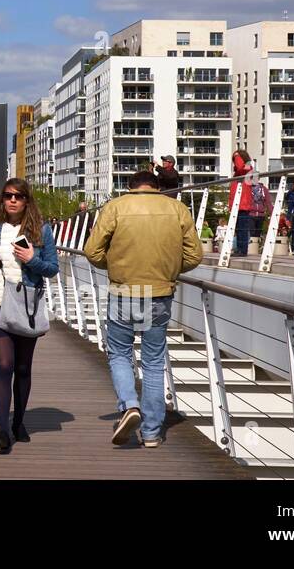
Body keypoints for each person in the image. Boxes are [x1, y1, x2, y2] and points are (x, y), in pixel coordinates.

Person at [85, 168, 202, 448]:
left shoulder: (115, 207)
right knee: (152, 361)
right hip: (160, 292)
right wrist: (170, 269)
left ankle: (129, 405)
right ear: (157, 186)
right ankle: (151, 433)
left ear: (131, 188)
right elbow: (194, 255)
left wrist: (113, 266)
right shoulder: (177, 209)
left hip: (124, 290)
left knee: (120, 354)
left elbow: (92, 252)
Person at [0, 177, 58, 452]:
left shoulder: (41, 232)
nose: (12, 200)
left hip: (26, 305)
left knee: (22, 368)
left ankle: (19, 422)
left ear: (27, 200)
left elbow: (52, 269)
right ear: (2, 199)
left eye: (18, 196)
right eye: (8, 195)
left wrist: (32, 259)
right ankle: (3, 431)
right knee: (4, 366)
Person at [229, 150, 256, 256]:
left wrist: (236, 156)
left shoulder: (242, 170)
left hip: (241, 202)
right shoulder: (248, 170)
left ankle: (242, 250)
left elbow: (240, 167)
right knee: (240, 227)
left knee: (242, 228)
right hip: (242, 202)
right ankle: (241, 249)